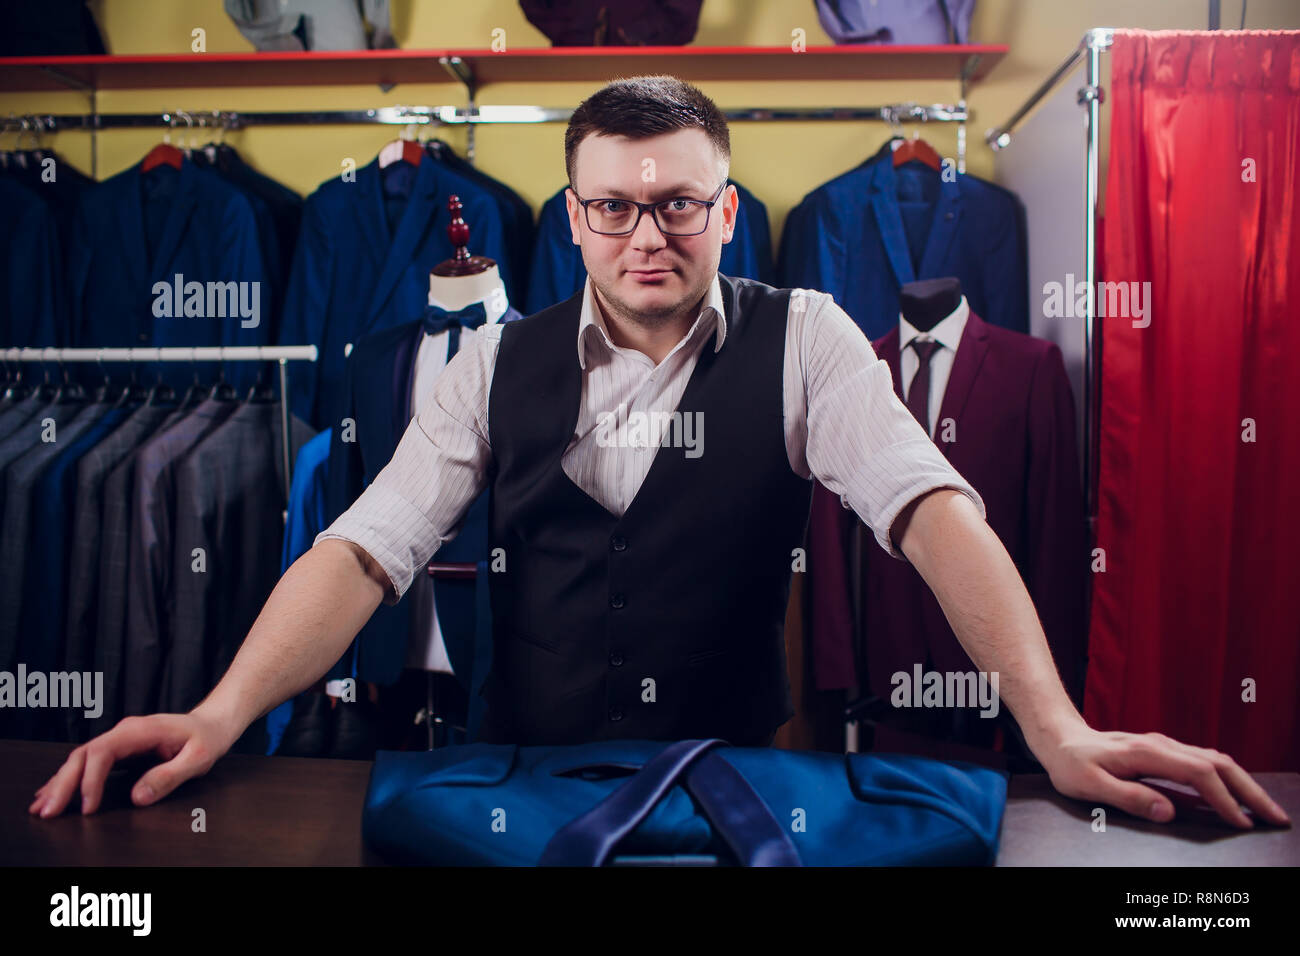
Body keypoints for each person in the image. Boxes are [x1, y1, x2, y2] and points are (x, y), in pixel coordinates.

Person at [32, 75, 1288, 832]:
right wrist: (221, 710)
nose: (650, 234)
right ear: (574, 216)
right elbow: (365, 548)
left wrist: (1054, 727)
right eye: (616, 205)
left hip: (731, 785)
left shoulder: (809, 340)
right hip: (520, 780)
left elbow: (935, 512)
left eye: (681, 202)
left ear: (725, 210)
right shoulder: (494, 363)